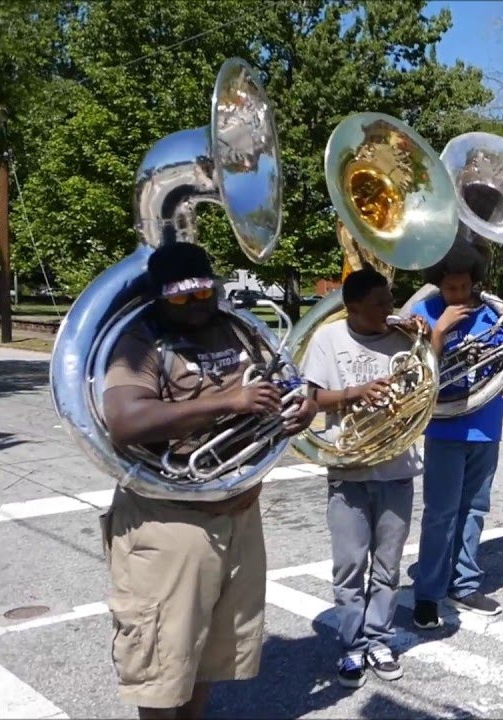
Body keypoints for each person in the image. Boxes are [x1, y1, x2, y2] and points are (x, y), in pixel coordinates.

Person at [100, 242, 317, 718]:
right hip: (170, 521)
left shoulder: (237, 327)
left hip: (238, 509)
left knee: (211, 653)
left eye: (202, 292)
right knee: (162, 661)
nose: (196, 305)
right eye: (179, 297)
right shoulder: (142, 341)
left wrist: (304, 402)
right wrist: (229, 403)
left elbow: (289, 383)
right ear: (159, 297)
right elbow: (126, 421)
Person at [300, 268, 424, 688]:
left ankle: (378, 639)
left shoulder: (403, 338)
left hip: (397, 468)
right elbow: (310, 399)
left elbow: (429, 384)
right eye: (380, 304)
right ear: (352, 308)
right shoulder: (328, 339)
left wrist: (427, 337)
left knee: (388, 565)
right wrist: (354, 393)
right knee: (350, 564)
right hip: (349, 469)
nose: (390, 309)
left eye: (390, 300)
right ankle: (352, 644)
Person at [411, 241, 503, 627]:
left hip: (485, 425)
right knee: (440, 515)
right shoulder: (423, 313)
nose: (459, 295)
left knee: (475, 510)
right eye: (451, 289)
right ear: (439, 285)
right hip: (444, 426)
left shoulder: (494, 314)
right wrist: (439, 332)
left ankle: (463, 583)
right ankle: (428, 594)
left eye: (465, 288)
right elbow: (414, 377)